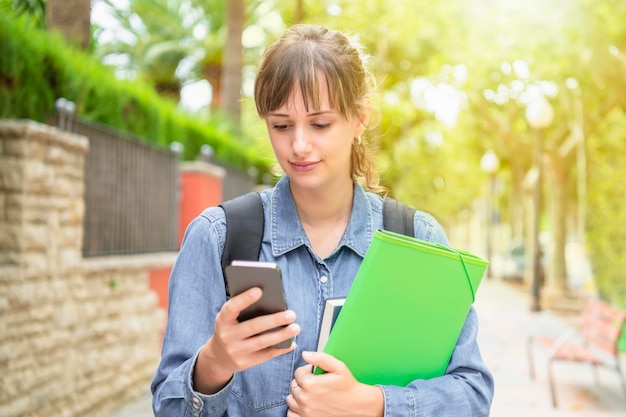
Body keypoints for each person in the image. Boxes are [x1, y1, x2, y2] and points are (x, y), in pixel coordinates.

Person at [151, 23, 494, 417]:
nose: (299, 145)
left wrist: (374, 403)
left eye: (320, 124)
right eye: (281, 125)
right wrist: (213, 363)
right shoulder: (218, 238)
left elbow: (472, 394)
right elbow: (168, 407)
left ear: (359, 119)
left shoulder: (420, 239)